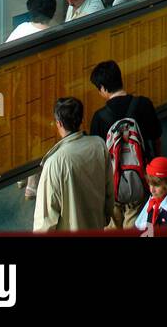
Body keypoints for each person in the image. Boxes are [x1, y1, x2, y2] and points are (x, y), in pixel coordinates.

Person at [89, 59, 163, 228]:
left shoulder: (99, 117)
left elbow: (97, 157)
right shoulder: (143, 104)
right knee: (138, 223)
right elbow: (157, 138)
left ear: (103, 88)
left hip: (112, 183)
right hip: (141, 179)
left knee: (112, 225)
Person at [33, 97, 114, 233]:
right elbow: (109, 189)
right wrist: (105, 217)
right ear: (82, 120)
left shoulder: (55, 162)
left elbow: (46, 217)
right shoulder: (99, 144)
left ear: (58, 123)